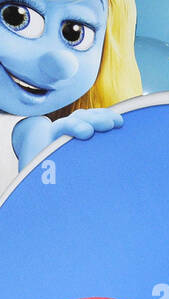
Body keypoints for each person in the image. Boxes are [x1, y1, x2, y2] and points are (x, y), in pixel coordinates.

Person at [2, 0, 141, 183]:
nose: (62, 65)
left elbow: (38, 184)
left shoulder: (30, 131)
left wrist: (55, 152)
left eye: (74, 34)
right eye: (16, 17)